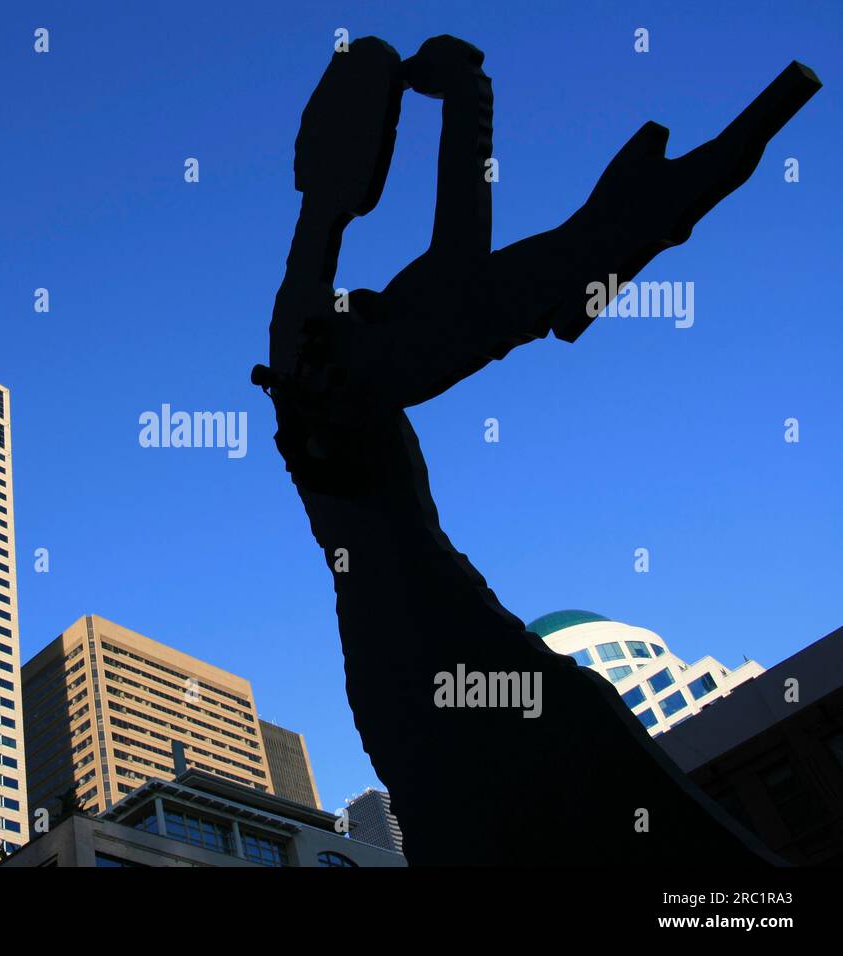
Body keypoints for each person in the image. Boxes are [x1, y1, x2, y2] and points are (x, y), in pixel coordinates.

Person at [255, 35, 819, 864]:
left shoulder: (326, 376)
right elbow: (455, 272)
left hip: (415, 654)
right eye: (371, 307)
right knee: (571, 752)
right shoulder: (333, 378)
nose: (371, 302)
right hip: (427, 648)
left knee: (561, 757)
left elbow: (451, 273)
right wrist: (460, 111)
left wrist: (454, 117)